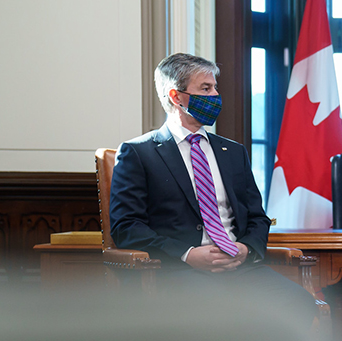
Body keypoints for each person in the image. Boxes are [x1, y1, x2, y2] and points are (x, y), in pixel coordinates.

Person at [110, 53, 315, 319]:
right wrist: (187, 255)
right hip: (180, 272)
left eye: (215, 87)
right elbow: (126, 226)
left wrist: (246, 249)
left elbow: (257, 217)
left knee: (298, 302)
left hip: (241, 270)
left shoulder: (233, 152)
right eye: (206, 88)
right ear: (176, 97)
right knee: (220, 313)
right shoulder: (138, 153)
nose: (215, 95)